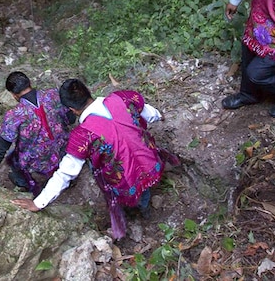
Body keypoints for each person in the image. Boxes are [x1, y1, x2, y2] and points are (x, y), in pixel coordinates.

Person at [13, 79, 178, 240]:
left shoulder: (83, 135)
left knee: (117, 175)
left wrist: (39, 202)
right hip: (150, 161)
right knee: (142, 184)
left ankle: (140, 209)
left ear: (72, 109)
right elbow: (150, 113)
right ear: (88, 92)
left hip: (126, 179)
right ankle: (145, 207)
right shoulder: (122, 98)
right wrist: (160, 117)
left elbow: (65, 173)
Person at [0, 71, 72, 194]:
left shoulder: (14, 115)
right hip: (65, 150)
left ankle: (25, 182)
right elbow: (71, 119)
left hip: (40, 162)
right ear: (30, 83)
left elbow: (0, 148)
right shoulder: (53, 94)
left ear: (13, 95)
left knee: (13, 158)